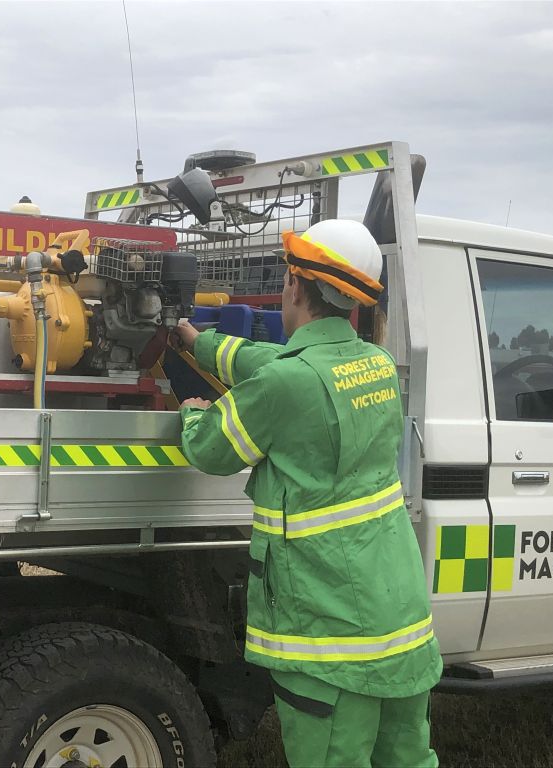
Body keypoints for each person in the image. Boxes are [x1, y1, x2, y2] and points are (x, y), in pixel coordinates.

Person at [172, 220, 442, 768]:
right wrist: (198, 342)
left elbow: (211, 450)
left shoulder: (285, 385)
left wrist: (190, 413)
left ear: (294, 286)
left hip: (329, 635)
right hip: (397, 622)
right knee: (409, 761)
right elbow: (278, 365)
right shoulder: (377, 365)